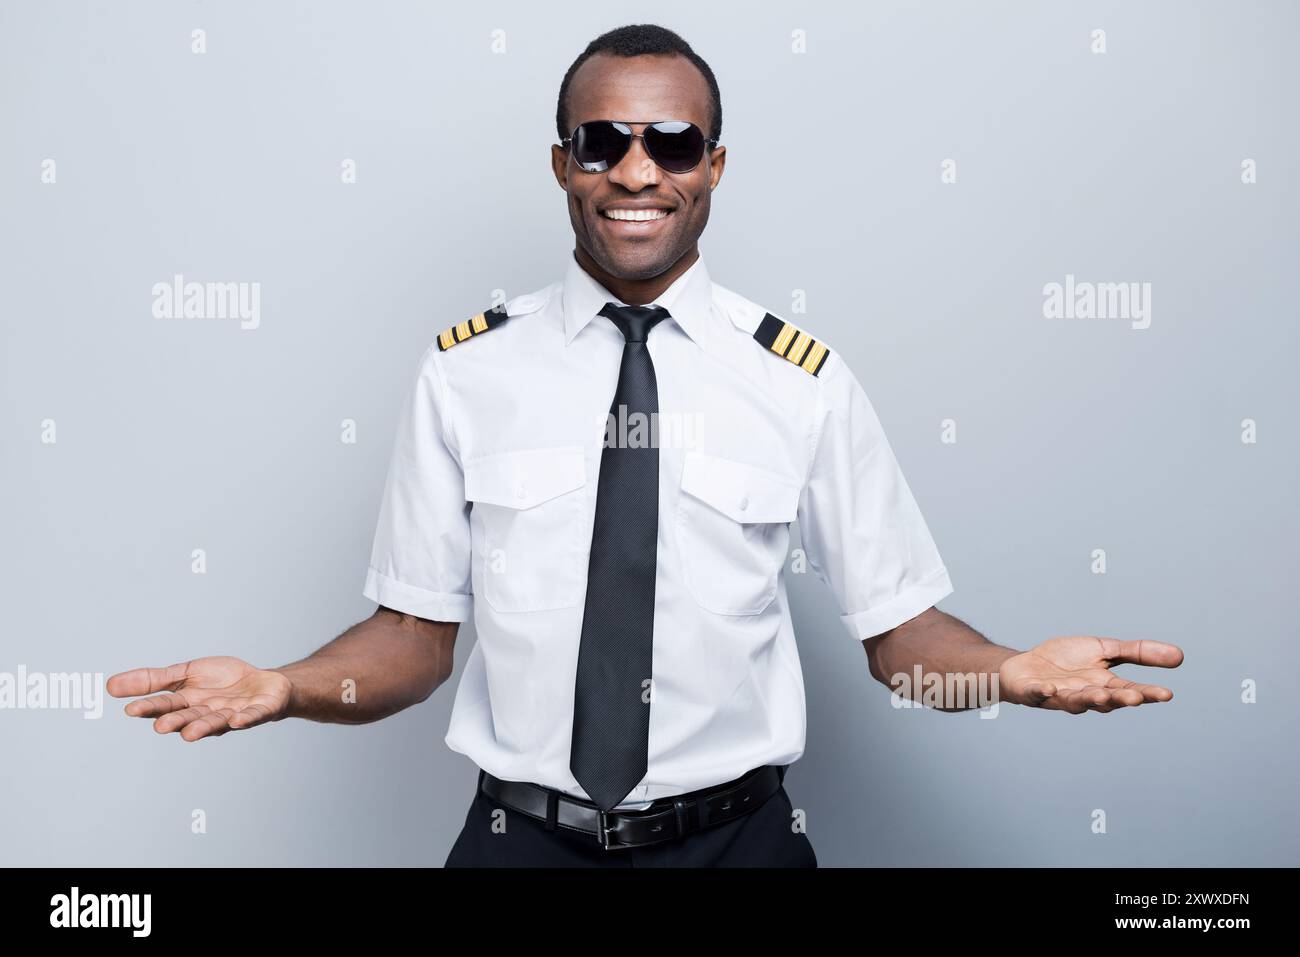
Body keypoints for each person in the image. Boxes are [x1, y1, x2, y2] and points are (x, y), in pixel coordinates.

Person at [107, 24, 1183, 868]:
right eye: (602, 141)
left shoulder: (797, 379)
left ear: (713, 165)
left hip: (741, 849)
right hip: (516, 846)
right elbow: (412, 642)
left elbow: (899, 639)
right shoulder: (466, 373)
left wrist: (1009, 674)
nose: (635, 172)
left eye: (669, 143)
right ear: (562, 163)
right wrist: (287, 688)